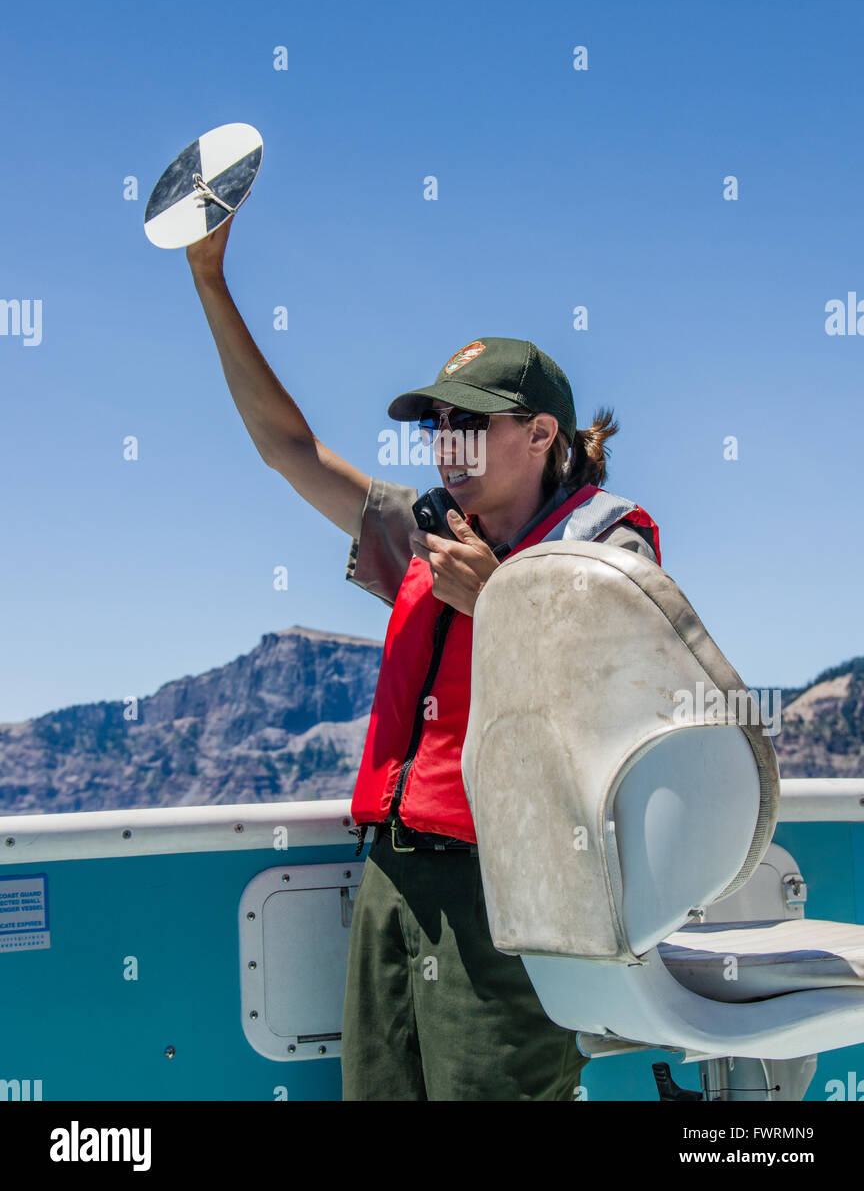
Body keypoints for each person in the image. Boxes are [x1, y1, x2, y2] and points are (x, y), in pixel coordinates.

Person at [186, 215, 661, 1101]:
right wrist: (210, 278)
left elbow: (630, 721)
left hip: (513, 899)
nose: (449, 443)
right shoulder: (425, 531)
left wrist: (500, 608)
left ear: (541, 433)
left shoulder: (610, 553)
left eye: (474, 423)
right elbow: (288, 449)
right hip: (392, 879)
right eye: (440, 423)